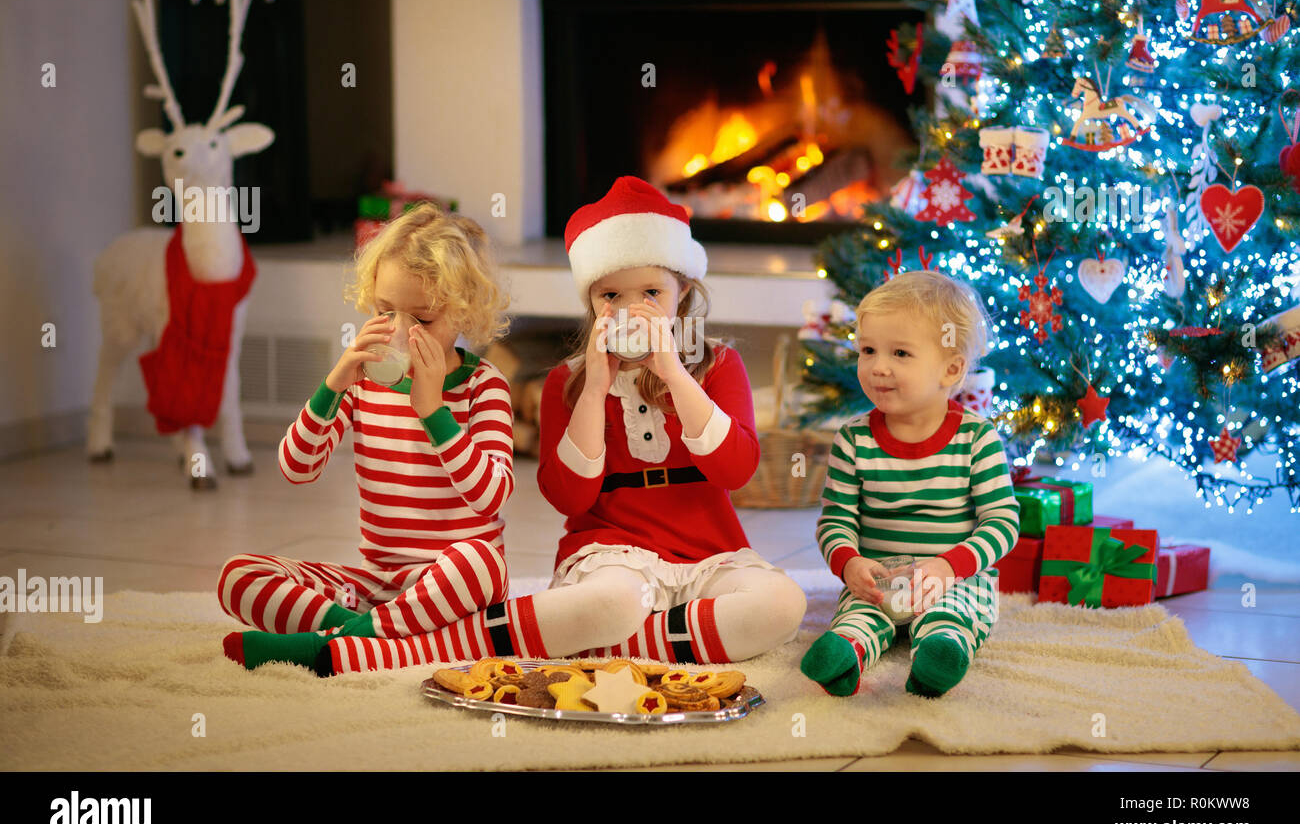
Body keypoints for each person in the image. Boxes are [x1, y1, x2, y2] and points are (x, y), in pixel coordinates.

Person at [319, 175, 807, 676]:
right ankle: (621, 632)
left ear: (682, 294)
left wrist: (675, 376)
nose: (630, 309)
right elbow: (570, 498)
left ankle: (605, 645)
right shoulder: (565, 383)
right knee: (609, 605)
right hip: (612, 554)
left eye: (652, 292)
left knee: (782, 605)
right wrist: (595, 389)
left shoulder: (718, 366)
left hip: (709, 553)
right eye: (610, 295)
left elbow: (736, 470)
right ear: (592, 303)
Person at [218, 203, 514, 671]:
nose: (400, 331)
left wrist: (434, 412)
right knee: (240, 576)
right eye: (384, 311)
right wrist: (334, 382)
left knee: (482, 565)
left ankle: (331, 643)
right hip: (374, 587)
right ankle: (370, 634)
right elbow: (297, 468)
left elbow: (491, 496)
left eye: (422, 319)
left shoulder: (484, 385)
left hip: (452, 588)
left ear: (464, 314)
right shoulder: (363, 382)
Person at [799, 269, 1019, 697]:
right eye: (868, 350)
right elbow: (835, 521)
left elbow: (1003, 522)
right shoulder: (853, 438)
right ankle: (844, 656)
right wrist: (850, 564)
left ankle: (936, 659)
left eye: (900, 353)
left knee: (952, 616)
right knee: (858, 617)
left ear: (950, 369)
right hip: (879, 580)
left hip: (955, 580)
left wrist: (949, 566)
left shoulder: (976, 438)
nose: (878, 367)